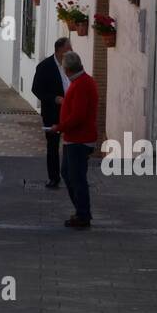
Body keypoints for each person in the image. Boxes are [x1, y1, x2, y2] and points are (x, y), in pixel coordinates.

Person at [51, 50, 98, 229]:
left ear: (67, 70)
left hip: (79, 139)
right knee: (69, 174)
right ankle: (81, 211)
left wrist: (59, 127)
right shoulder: (82, 82)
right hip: (75, 139)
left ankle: (83, 214)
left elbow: (78, 116)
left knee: (76, 178)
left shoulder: (81, 85)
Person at [31, 37, 73, 190]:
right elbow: (36, 89)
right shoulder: (45, 66)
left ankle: (72, 175)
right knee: (53, 146)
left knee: (73, 144)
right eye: (67, 50)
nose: (70, 53)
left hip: (71, 111)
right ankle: (54, 177)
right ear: (58, 51)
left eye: (71, 50)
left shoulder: (72, 64)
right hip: (53, 112)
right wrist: (54, 99)